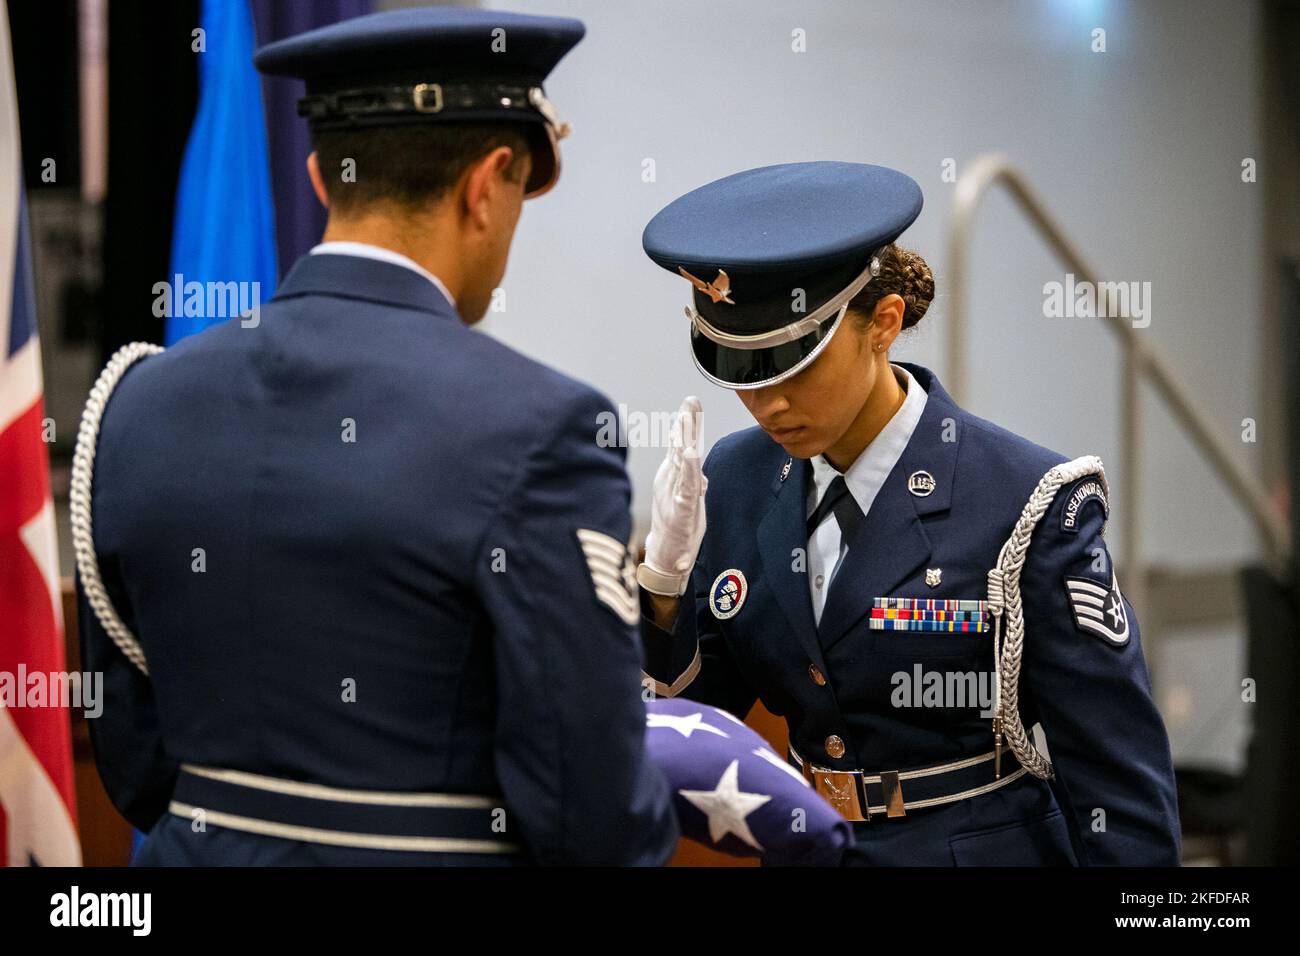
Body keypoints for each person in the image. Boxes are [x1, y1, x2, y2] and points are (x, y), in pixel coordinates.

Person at [71, 7, 676, 866]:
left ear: (321, 178)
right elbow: (592, 811)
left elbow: (131, 748)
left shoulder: (138, 398)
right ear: (487, 181)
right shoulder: (544, 426)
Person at [636, 160, 1181, 865]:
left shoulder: (1026, 498)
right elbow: (697, 725)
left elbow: (1118, 779)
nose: (769, 402)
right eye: (745, 369)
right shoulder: (738, 479)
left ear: (883, 323)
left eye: (797, 364)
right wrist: (662, 585)